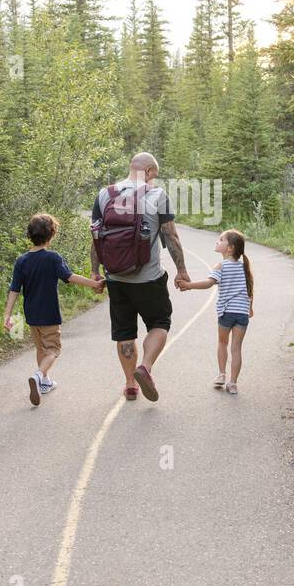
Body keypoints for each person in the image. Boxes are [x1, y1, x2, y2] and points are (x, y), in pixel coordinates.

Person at [89, 152, 190, 402]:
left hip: (116, 279)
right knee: (160, 323)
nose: (153, 182)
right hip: (149, 279)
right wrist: (182, 270)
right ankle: (144, 366)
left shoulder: (105, 195)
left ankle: (130, 385)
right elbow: (171, 236)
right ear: (148, 172)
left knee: (124, 333)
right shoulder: (157, 196)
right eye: (153, 176)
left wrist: (95, 271)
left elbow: (96, 238)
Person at [4, 213, 104, 406]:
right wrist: (94, 284)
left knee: (40, 348)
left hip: (32, 315)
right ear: (52, 235)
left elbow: (14, 289)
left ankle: (45, 382)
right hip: (49, 314)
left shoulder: (22, 261)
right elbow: (69, 276)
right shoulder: (53, 258)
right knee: (53, 350)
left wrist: (7, 315)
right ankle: (39, 375)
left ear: (29, 235)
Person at [177, 229, 254, 394]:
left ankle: (221, 375)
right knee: (236, 348)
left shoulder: (221, 265)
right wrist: (250, 307)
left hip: (226, 312)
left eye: (221, 240)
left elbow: (208, 283)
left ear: (230, 248)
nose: (216, 242)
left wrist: (189, 285)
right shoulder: (243, 266)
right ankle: (233, 383)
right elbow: (249, 288)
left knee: (222, 343)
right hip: (241, 312)